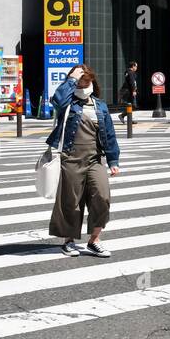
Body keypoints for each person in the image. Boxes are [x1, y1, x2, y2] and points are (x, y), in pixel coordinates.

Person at [47, 65, 119, 257]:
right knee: (71, 201)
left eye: (85, 82)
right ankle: (68, 240)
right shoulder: (68, 104)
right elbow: (57, 100)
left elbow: (109, 134)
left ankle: (94, 240)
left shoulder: (100, 106)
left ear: (92, 84)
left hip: (95, 159)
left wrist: (113, 160)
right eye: (79, 82)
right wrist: (71, 79)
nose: (82, 86)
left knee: (102, 197)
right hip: (71, 158)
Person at [119, 61, 139, 126]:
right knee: (133, 105)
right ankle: (122, 115)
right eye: (136, 66)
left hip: (128, 91)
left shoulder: (127, 72)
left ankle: (129, 119)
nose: (136, 68)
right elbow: (132, 82)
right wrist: (134, 90)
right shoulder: (131, 73)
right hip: (130, 91)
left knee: (131, 105)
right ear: (133, 66)